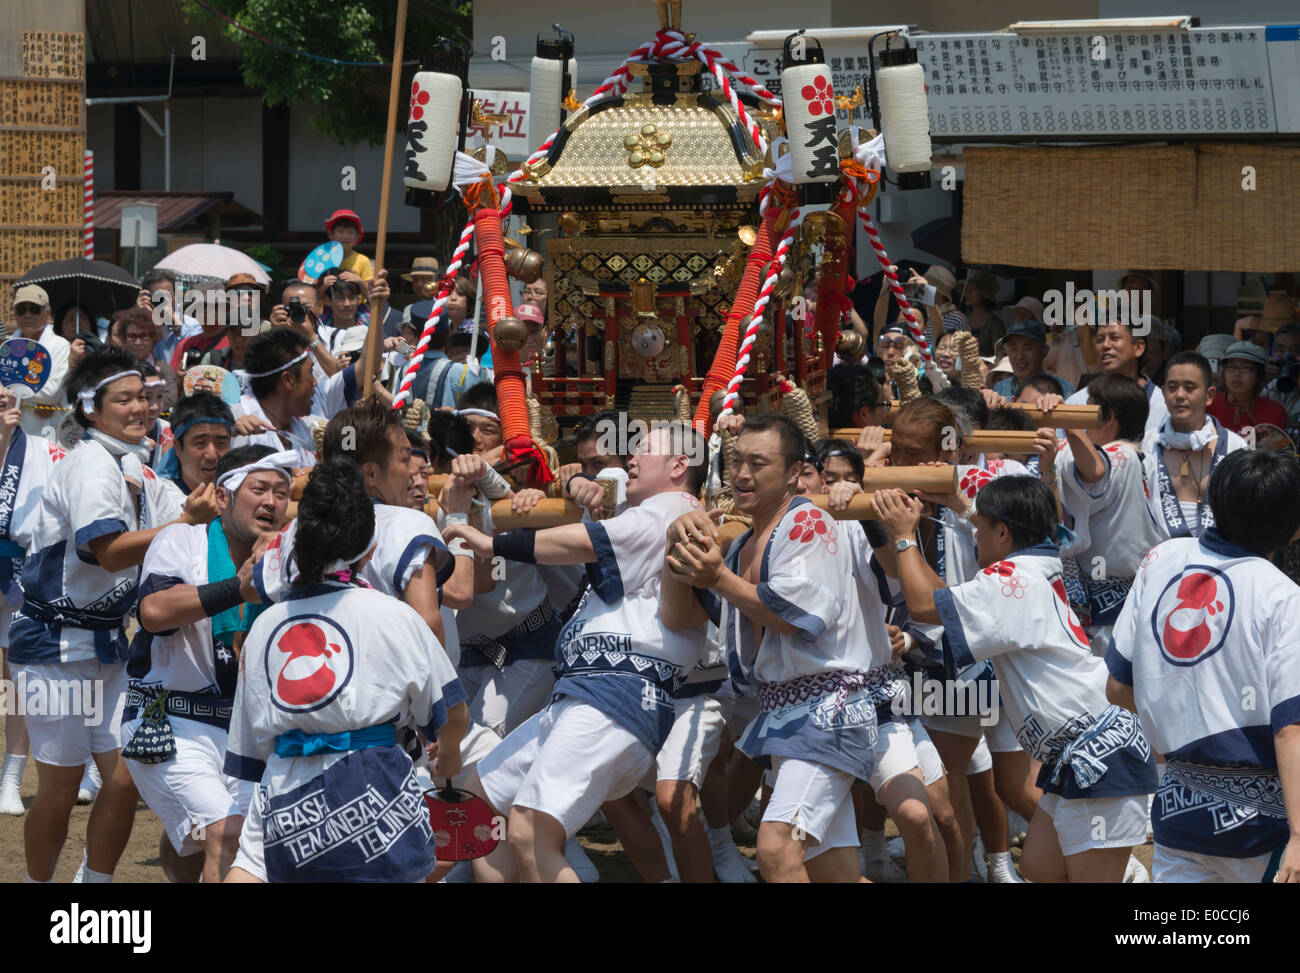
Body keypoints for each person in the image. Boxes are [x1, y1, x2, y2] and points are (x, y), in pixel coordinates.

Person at [445, 423, 712, 883]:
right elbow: (566, 488)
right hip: (588, 693)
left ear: (678, 466)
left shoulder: (675, 507)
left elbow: (586, 542)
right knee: (476, 799)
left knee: (530, 830)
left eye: (643, 451)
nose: (630, 459)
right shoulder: (643, 509)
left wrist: (494, 543)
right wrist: (568, 482)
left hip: (616, 695)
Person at [878, 476, 1157, 882]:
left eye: (980, 530)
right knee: (1039, 869)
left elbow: (923, 604)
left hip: (1098, 752)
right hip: (1080, 751)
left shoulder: (1013, 581)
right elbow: (947, 600)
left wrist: (903, 537)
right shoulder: (1039, 561)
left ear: (1003, 532)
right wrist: (966, 506)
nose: (975, 539)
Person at [10, 349, 219, 883]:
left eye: (144, 398)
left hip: (107, 644)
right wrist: (184, 523)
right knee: (59, 788)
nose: (139, 409)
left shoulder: (137, 465)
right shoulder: (88, 463)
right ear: (88, 409)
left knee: (127, 778)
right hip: (52, 643)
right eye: (122, 399)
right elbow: (108, 551)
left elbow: (194, 514)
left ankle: (91, 886)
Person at [223, 458, 468, 883]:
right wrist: (449, 755)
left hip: (286, 798)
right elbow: (454, 712)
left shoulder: (263, 624)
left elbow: (253, 750)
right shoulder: (394, 614)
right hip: (377, 788)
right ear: (370, 548)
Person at [667, 414, 886, 882]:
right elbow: (698, 613)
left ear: (793, 472)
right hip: (789, 713)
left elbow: (793, 615)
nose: (742, 474)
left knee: (776, 848)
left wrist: (719, 578)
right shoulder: (744, 540)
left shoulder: (809, 522)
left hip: (828, 709)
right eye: (736, 462)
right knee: (832, 872)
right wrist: (679, 542)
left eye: (758, 463)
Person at [1106, 449, 1300, 883]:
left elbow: (1118, 688)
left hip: (1178, 812)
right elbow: (1291, 728)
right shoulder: (1283, 596)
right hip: (1262, 826)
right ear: (1294, 527)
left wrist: (1180, 729)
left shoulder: (1161, 559)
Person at [127, 445, 293, 883]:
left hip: (244, 729)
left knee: (218, 836)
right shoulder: (183, 539)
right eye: (259, 489)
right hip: (170, 718)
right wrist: (238, 588)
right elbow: (155, 613)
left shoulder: (287, 561)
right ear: (222, 498)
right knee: (230, 831)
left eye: (282, 492)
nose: (272, 502)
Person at [1041, 376, 1165, 656]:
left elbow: (1095, 472)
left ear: (1107, 418)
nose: (1082, 426)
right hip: (1118, 598)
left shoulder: (1120, 454)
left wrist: (1066, 420)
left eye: (1086, 412)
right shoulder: (1137, 455)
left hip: (1113, 605)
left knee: (1109, 691)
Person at [0, 386, 67, 817]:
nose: (2, 393)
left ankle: (11, 773)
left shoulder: (46, 450)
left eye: (6, 386)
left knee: (18, 677)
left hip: (22, 575)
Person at [1142, 351, 1246, 540]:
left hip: (1217, 562)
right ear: (1164, 393)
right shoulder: (1147, 445)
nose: (1180, 395)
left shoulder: (1234, 446)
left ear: (1209, 395)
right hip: (1162, 562)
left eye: (1190, 387)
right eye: (1172, 388)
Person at [230, 329, 359, 467]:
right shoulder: (235, 424)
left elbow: (351, 447)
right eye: (310, 372)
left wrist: (353, 423)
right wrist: (228, 433)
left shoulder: (313, 427)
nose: (315, 382)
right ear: (288, 380)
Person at [1064, 320, 1169, 435]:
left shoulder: (1162, 405)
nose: (1105, 345)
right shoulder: (1077, 403)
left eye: (1114, 338)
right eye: (1100, 340)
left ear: (1138, 347)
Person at [10, 285, 72, 437]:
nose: (28, 315)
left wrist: (11, 387)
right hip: (12, 431)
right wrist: (31, 401)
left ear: (48, 314)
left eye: (35, 309)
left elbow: (50, 394)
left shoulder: (59, 345)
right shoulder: (7, 347)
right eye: (21, 310)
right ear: (15, 315)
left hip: (47, 432)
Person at [158, 393, 234, 495]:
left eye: (221, 443)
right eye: (200, 443)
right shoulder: (161, 499)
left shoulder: (238, 496)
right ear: (178, 448)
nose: (211, 456)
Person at [1206, 341, 1288, 434]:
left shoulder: (1275, 412)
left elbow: (1283, 447)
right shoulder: (1208, 405)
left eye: (1246, 368)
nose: (1237, 374)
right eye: (1231, 367)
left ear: (1259, 375)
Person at [113, 307, 179, 411]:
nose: (138, 342)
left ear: (154, 337)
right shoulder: (115, 368)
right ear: (124, 339)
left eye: (144, 336)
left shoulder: (164, 368)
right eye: (132, 336)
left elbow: (170, 399)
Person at [993, 318, 1075, 400]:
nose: (1020, 356)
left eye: (1027, 348)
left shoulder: (1065, 390)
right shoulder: (999, 389)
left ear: (1044, 351)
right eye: (1014, 349)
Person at [139, 268, 202, 365]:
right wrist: (140, 316)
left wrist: (173, 321)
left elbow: (194, 353)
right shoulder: (141, 322)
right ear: (148, 297)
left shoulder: (192, 325)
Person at [324, 208, 373, 282]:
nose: (346, 236)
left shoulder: (363, 261)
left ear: (357, 237)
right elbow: (315, 291)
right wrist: (323, 287)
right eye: (341, 231)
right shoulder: (323, 259)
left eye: (350, 232)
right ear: (331, 234)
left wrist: (359, 281)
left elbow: (369, 292)